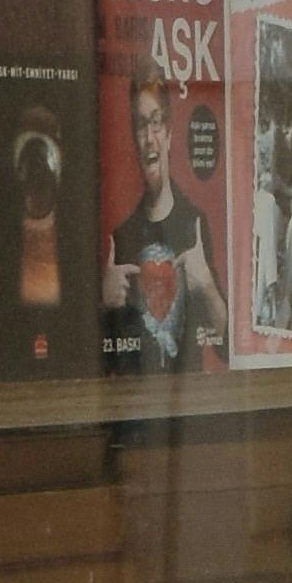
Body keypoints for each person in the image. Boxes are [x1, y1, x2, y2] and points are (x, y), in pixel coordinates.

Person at [102, 71, 229, 369]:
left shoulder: (194, 223)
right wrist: (104, 306)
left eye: (156, 122)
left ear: (170, 133)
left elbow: (229, 350)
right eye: (140, 125)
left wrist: (206, 288)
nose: (149, 138)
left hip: (188, 408)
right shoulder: (122, 237)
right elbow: (106, 364)